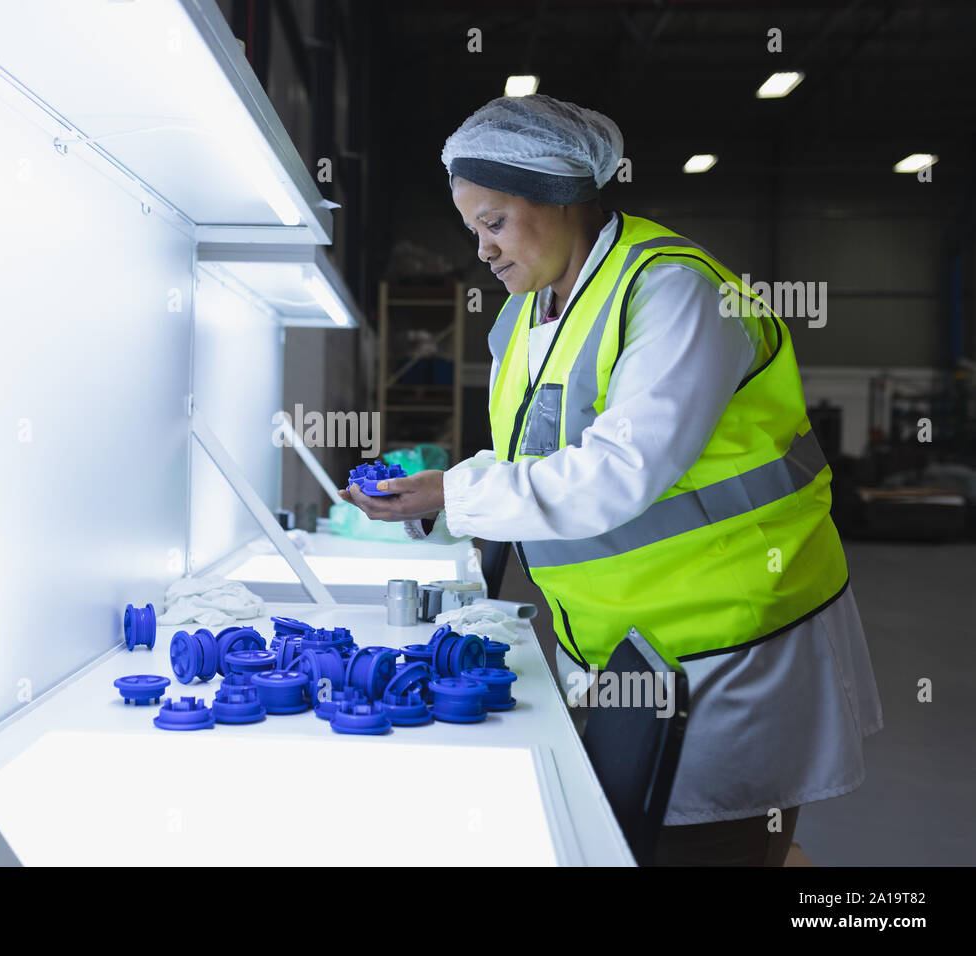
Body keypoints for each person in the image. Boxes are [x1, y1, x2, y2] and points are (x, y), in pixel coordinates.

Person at [339, 93, 883, 867]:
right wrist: (432, 499)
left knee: (714, 848)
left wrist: (452, 495)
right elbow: (533, 466)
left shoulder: (673, 292)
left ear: (561, 194)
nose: (484, 251)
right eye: (473, 231)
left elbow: (619, 472)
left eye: (494, 223)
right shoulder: (525, 316)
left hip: (735, 642)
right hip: (617, 650)